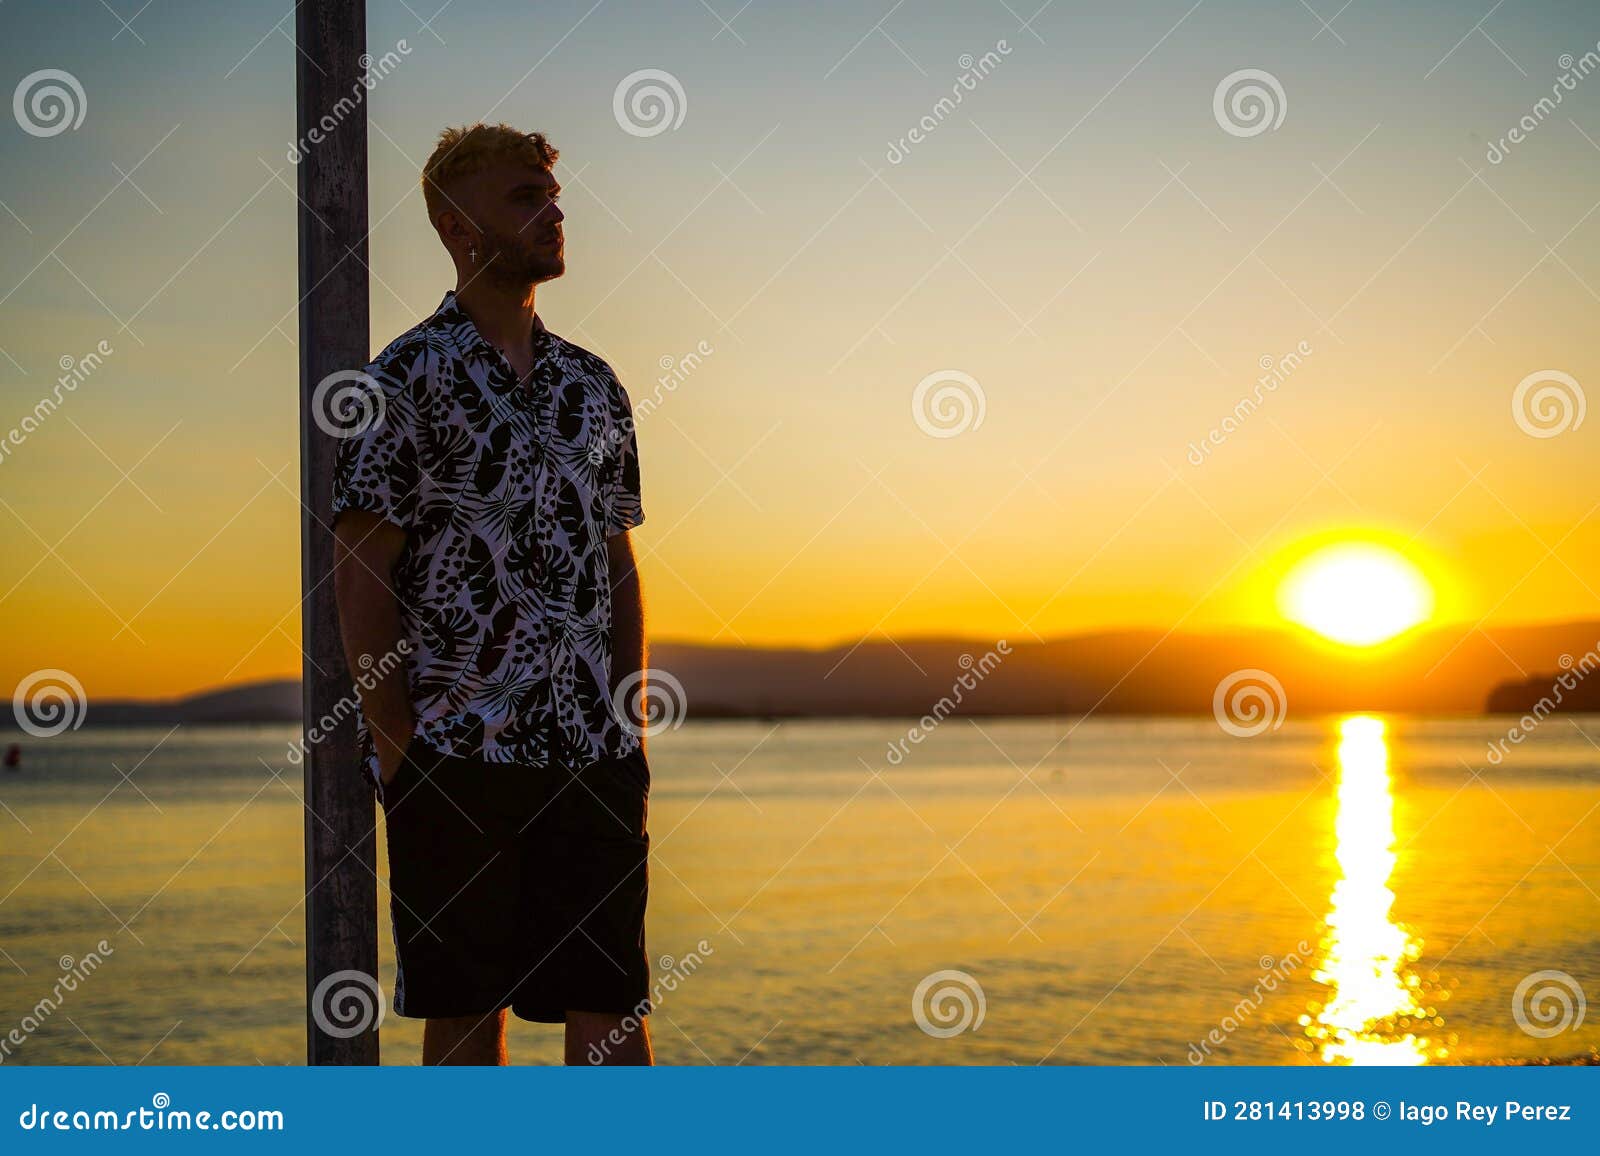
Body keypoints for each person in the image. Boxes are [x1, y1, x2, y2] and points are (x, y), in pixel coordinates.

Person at [329, 123, 653, 1066]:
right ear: (453, 223)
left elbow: (617, 567)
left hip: (591, 752)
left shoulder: (596, 389)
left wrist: (625, 724)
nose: (552, 214)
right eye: (524, 197)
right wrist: (400, 748)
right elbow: (362, 568)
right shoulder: (405, 378)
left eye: (553, 196)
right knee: (468, 1017)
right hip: (455, 753)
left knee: (613, 1009)